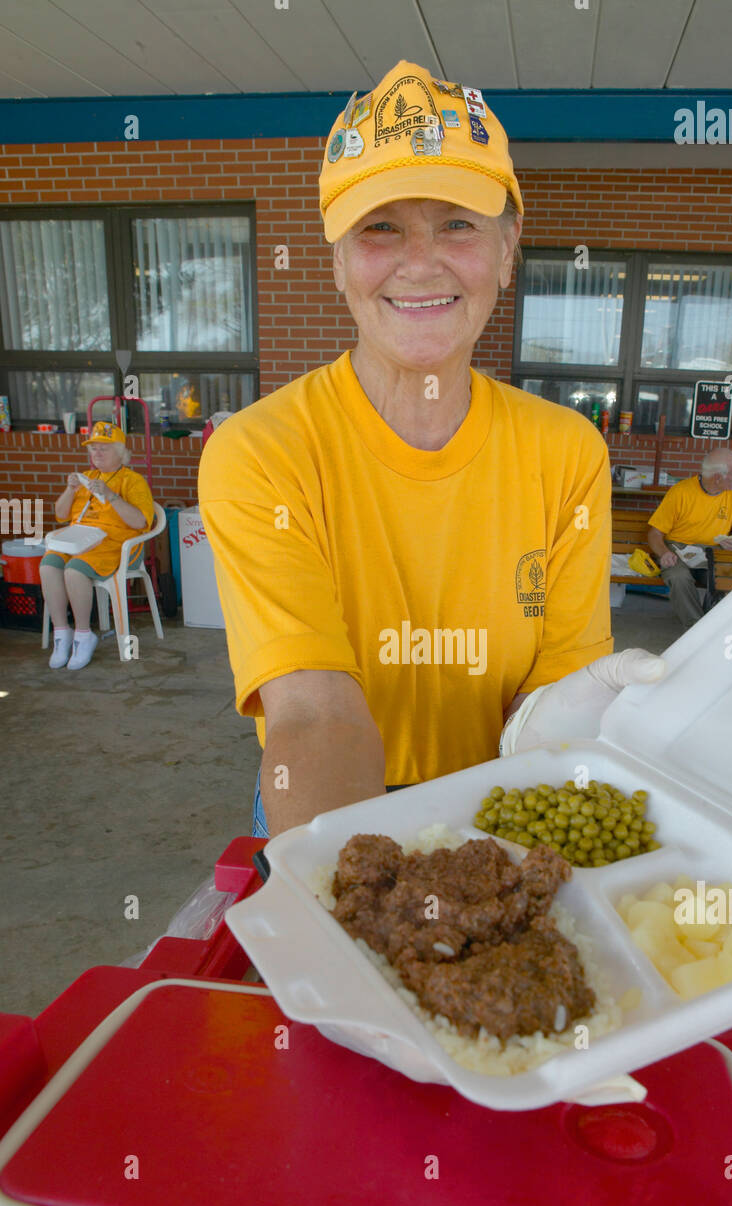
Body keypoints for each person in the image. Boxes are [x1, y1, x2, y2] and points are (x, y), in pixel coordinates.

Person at [198, 59, 665, 839]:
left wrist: (561, 736)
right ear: (337, 259)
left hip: (505, 796)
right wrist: (356, 886)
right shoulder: (261, 450)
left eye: (457, 222)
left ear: (507, 251)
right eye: (380, 227)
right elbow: (313, 712)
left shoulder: (564, 450)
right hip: (338, 806)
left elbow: (552, 693)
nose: (421, 261)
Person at [40, 421, 154, 670]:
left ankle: (83, 634)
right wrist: (70, 490)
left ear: (120, 452)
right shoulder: (86, 478)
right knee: (48, 565)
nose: (97, 454)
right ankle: (62, 632)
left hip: (114, 545)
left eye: (104, 448)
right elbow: (60, 515)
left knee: (74, 571)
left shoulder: (132, 481)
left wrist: (112, 496)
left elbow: (141, 521)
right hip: (78, 539)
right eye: (93, 449)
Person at [646, 448, 732, 630]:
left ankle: (716, 626)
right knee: (678, 576)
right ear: (718, 478)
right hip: (677, 549)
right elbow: (654, 534)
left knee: (726, 577)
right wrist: (664, 553)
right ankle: (697, 629)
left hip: (713, 551)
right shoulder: (681, 492)